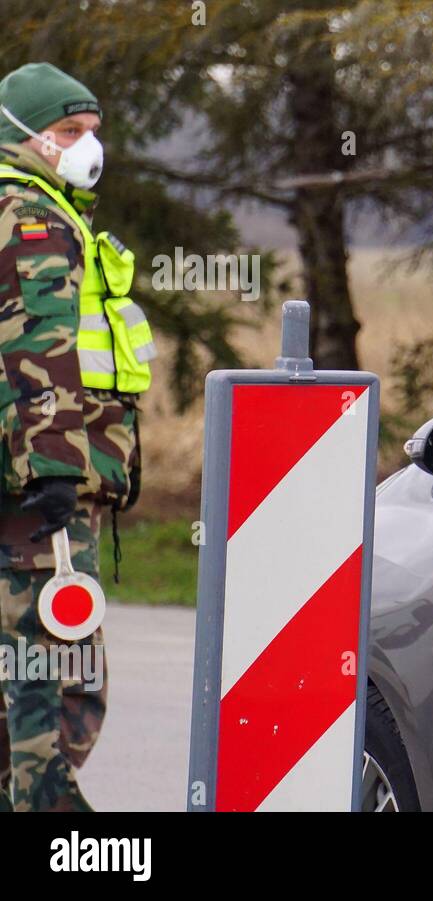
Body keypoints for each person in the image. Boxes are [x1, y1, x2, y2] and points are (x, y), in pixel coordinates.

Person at [0, 62, 155, 811]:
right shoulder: (33, 217)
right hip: (41, 498)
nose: (87, 146)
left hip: (25, 481)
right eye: (67, 132)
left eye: (92, 131)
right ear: (23, 135)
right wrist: (54, 471)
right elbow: (39, 350)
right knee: (56, 679)